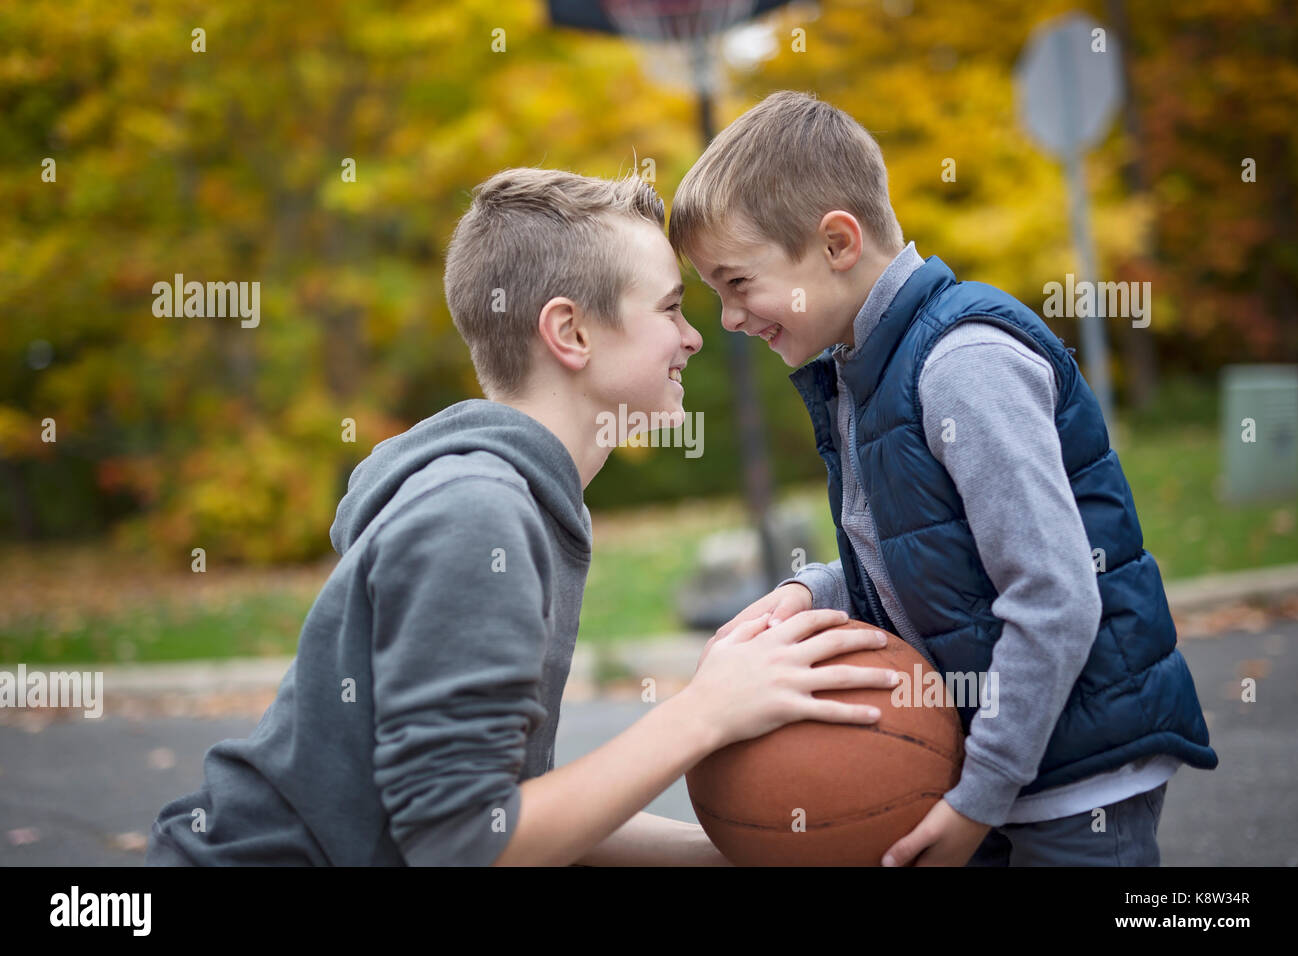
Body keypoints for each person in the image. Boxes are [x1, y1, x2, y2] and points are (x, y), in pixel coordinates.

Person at [145, 166, 898, 867]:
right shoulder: (476, 516)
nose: (694, 336)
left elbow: (510, 815)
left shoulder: (516, 501)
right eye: (670, 308)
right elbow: (465, 844)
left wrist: (747, 854)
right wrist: (704, 713)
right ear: (570, 333)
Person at [668, 90, 1218, 866]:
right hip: (1000, 766)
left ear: (836, 243)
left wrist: (979, 793)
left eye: (736, 283)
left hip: (1070, 774)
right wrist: (811, 591)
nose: (728, 318)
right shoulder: (863, 371)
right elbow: (920, 555)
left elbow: (1053, 594)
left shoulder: (962, 364)